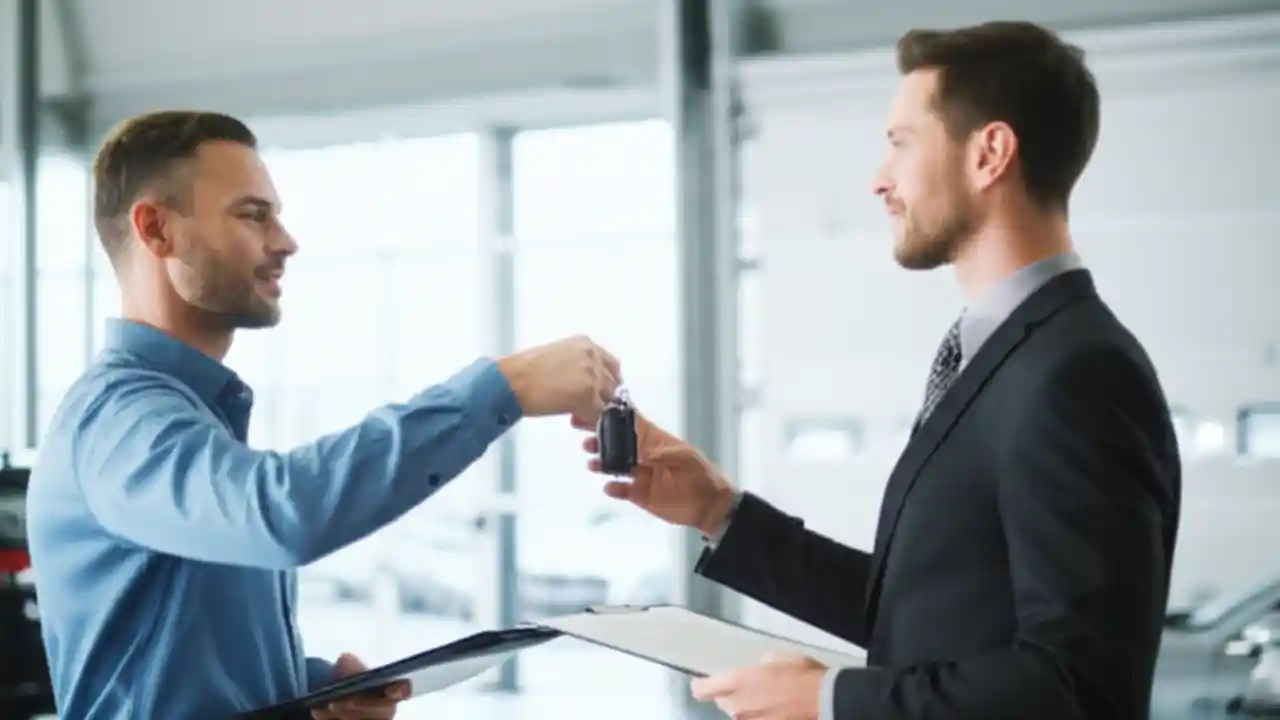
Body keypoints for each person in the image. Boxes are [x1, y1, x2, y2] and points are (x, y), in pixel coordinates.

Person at [579, 20, 1181, 720]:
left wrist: (830, 698)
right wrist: (721, 512)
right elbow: (925, 615)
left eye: (901, 143)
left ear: (989, 154)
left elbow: (1078, 687)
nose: (879, 180)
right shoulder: (1000, 353)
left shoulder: (1077, 373)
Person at [24, 110, 623, 720]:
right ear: (157, 230)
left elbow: (178, 664)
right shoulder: (119, 421)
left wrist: (311, 692)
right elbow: (282, 514)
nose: (285, 241)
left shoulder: (191, 420)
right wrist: (503, 388)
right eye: (253, 214)